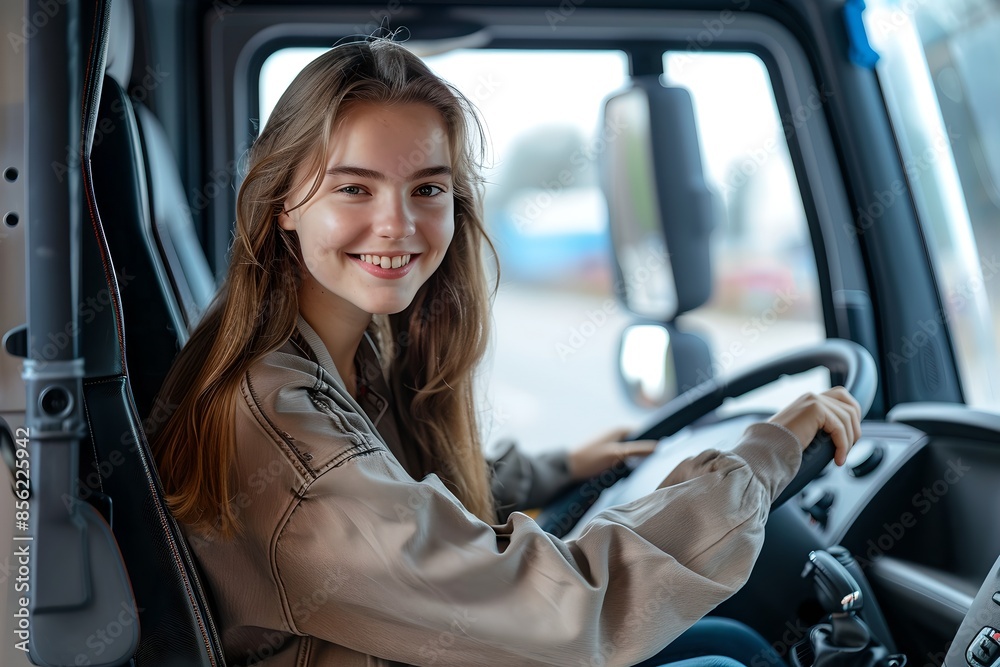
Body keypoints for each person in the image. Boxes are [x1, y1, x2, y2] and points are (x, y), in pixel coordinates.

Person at [150, 37, 862, 667]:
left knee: (732, 645)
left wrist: (565, 467)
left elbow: (395, 495)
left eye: (427, 188)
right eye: (353, 188)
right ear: (284, 203)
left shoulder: (340, 360)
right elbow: (580, 611)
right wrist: (765, 456)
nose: (397, 225)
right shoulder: (283, 427)